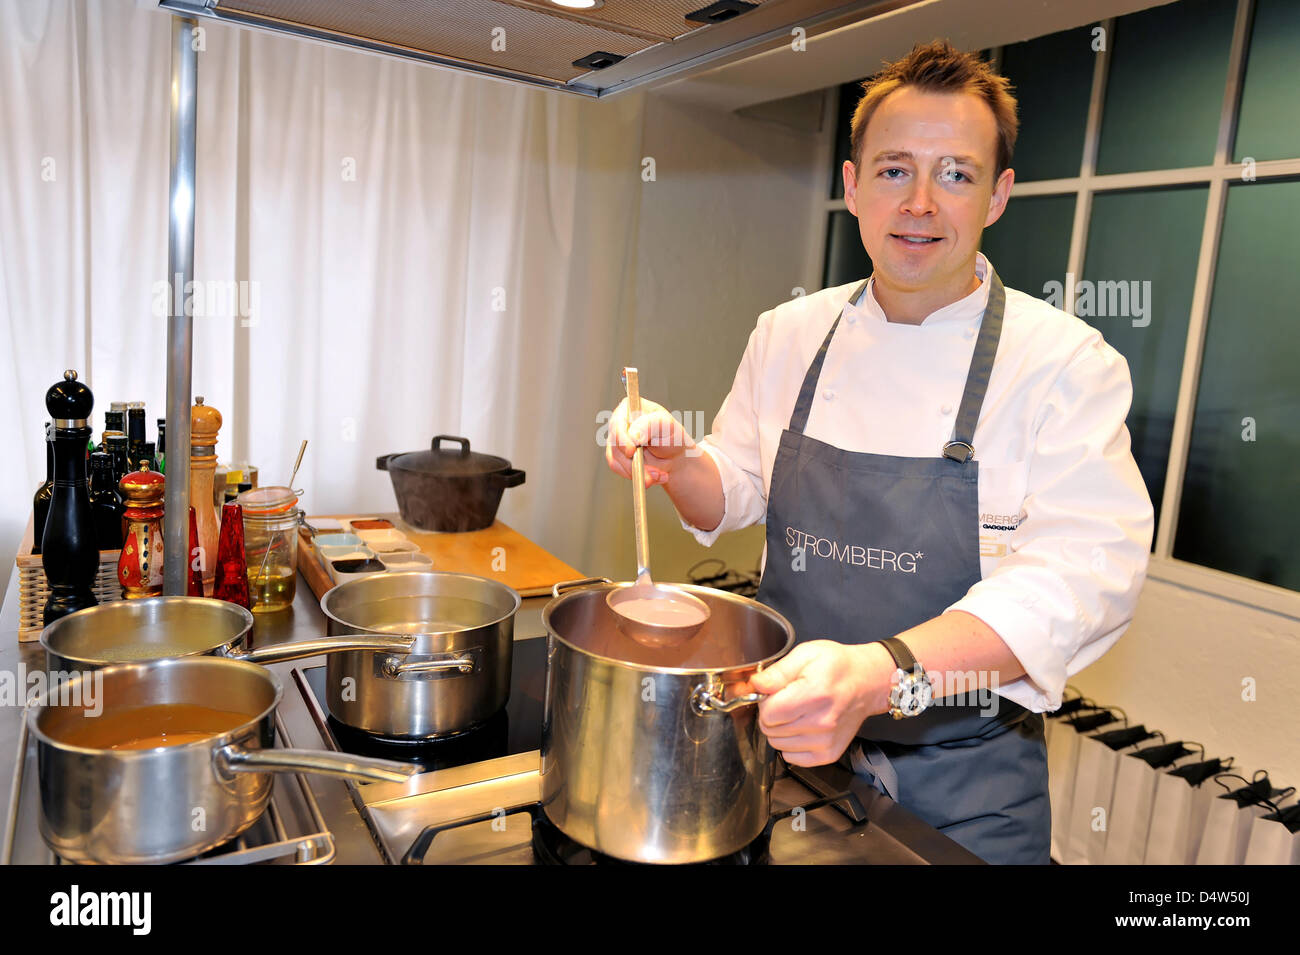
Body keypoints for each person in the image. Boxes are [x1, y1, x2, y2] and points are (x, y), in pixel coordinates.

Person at [604, 39, 1153, 864]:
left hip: (968, 789)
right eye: (895, 170)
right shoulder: (788, 332)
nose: (921, 203)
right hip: (786, 752)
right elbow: (735, 488)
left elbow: (1082, 580)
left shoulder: (1064, 364)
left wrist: (880, 673)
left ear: (998, 196)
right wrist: (677, 461)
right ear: (853, 186)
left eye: (956, 174)